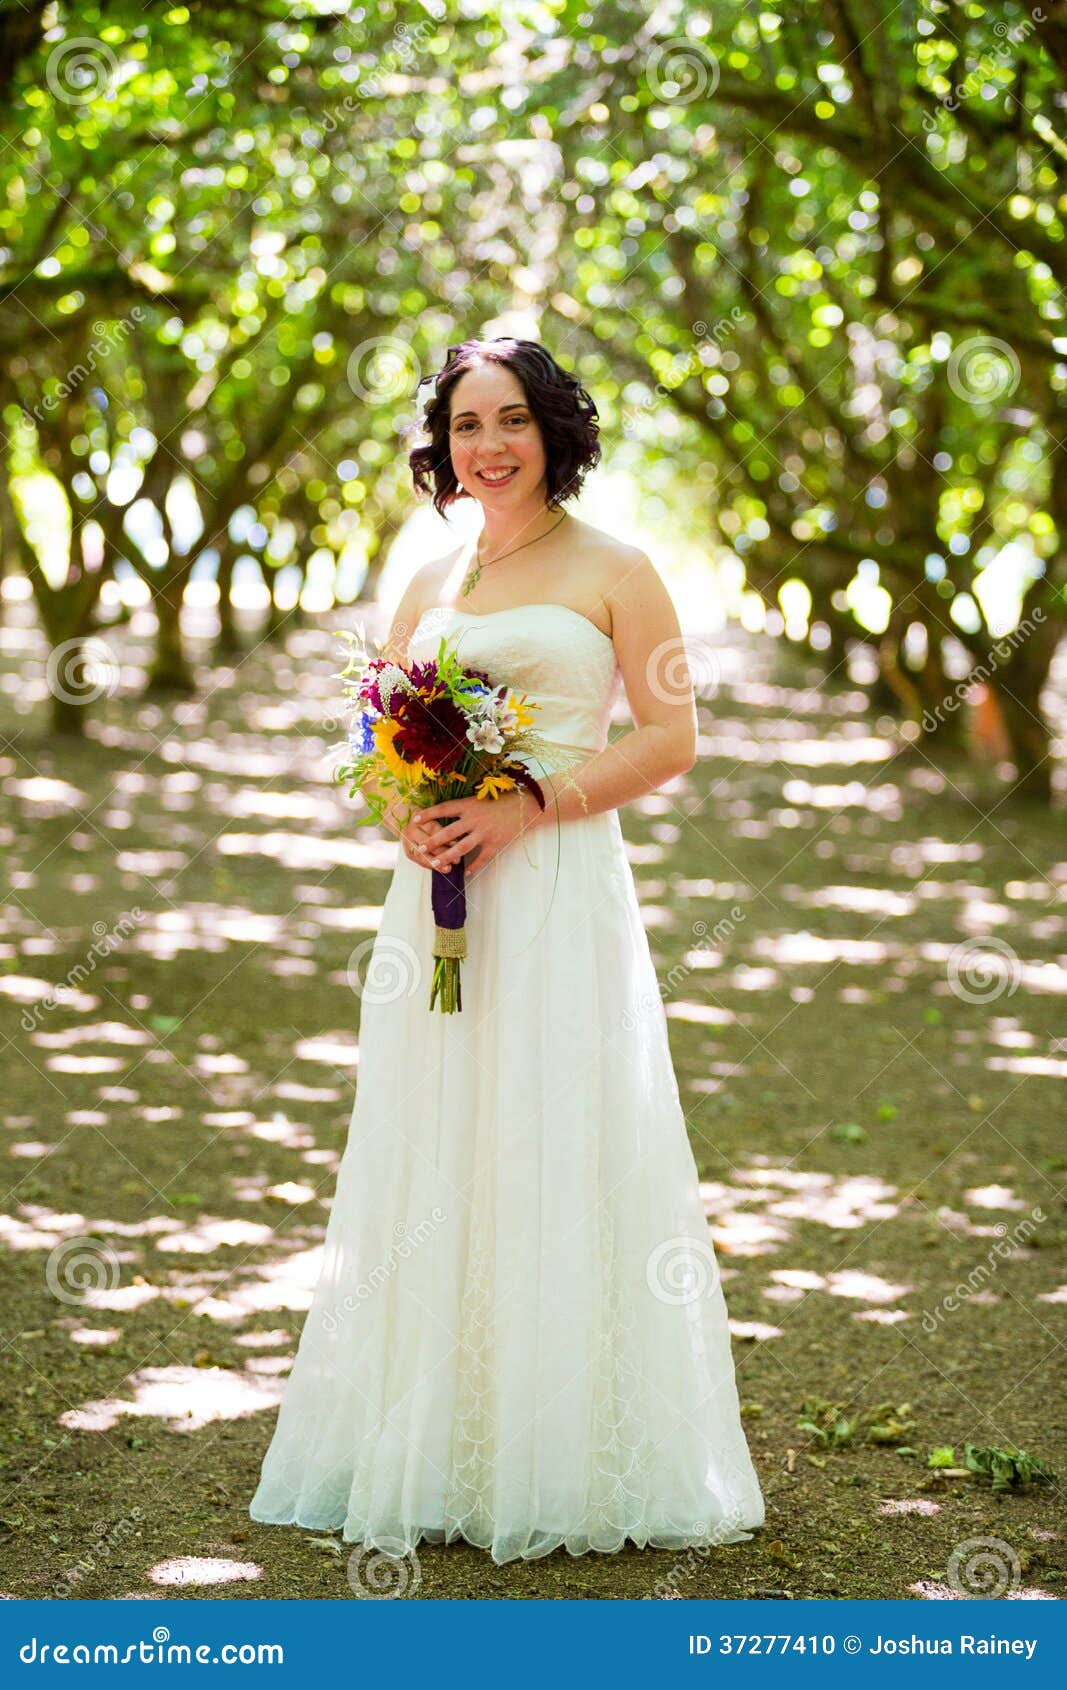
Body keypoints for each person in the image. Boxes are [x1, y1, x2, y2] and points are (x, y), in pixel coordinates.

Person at [249, 336, 765, 1566]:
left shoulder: (617, 567)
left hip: (555, 885)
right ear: (443, 445)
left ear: (554, 433)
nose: (490, 445)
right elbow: (379, 728)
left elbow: (671, 735)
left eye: (514, 421)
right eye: (467, 424)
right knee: (438, 1126)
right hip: (434, 895)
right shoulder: (429, 572)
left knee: (551, 1123)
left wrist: (519, 806)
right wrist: (413, 816)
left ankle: (557, 1443)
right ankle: (430, 1429)